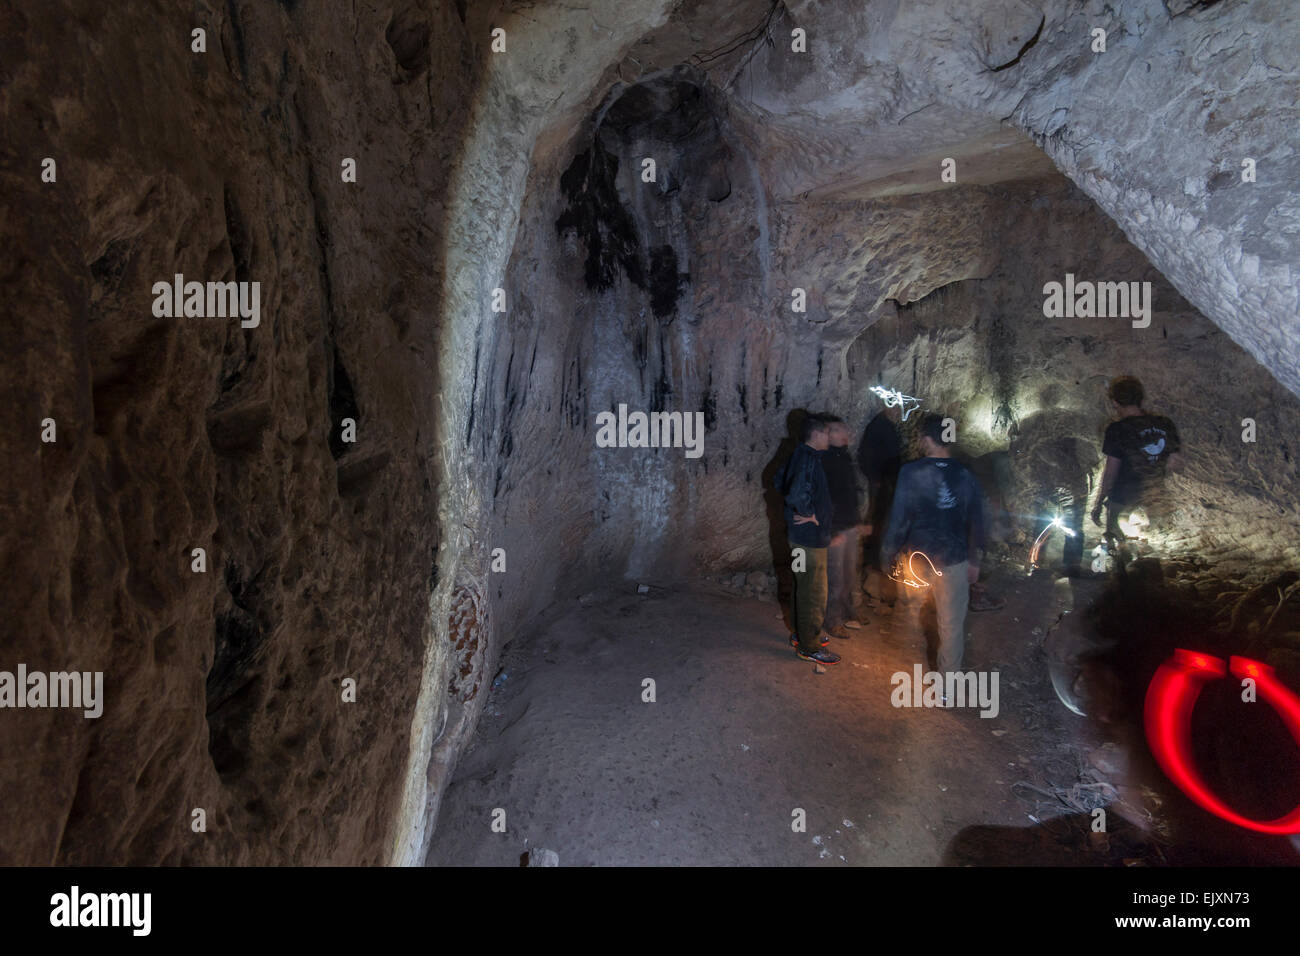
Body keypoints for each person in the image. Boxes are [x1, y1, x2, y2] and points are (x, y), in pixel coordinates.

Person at [881, 413, 986, 678]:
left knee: (908, 610)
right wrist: (975, 559)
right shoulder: (966, 475)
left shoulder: (910, 472)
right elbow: (978, 519)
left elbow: (900, 516)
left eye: (921, 438)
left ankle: (899, 669)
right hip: (954, 557)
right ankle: (947, 687)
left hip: (917, 556)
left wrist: (888, 550)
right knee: (951, 626)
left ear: (927, 439)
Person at [1089, 376, 1184, 564]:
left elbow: (1111, 472)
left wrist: (1099, 502)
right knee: (1154, 548)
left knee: (1116, 542)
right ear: (1140, 398)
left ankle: (1124, 581)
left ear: (1115, 402)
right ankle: (1151, 582)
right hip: (1153, 494)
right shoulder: (1165, 424)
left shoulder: (1117, 429)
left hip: (1123, 495)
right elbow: (1175, 463)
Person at [773, 414, 841, 665]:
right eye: (827, 433)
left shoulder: (798, 454)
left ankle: (799, 634)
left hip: (798, 538)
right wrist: (809, 514)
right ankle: (809, 646)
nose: (830, 437)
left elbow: (778, 480)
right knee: (814, 592)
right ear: (817, 435)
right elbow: (795, 492)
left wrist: (797, 513)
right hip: (810, 540)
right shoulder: (809, 459)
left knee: (801, 586)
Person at [820, 416, 869, 638]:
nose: (845, 433)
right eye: (838, 430)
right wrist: (830, 531)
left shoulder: (844, 457)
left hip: (848, 525)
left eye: (844, 428)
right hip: (836, 529)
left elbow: (850, 494)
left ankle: (850, 612)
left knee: (850, 574)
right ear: (826, 435)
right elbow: (824, 498)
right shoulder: (823, 460)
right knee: (836, 576)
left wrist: (858, 521)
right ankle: (833, 619)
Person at [857, 400, 903, 571]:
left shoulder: (888, 425)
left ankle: (879, 558)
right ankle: (873, 560)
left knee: (884, 517)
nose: (898, 411)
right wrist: (875, 477)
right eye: (895, 408)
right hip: (881, 481)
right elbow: (865, 454)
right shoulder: (878, 426)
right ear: (886, 407)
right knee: (879, 518)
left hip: (888, 480)